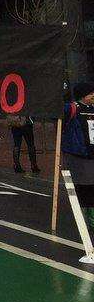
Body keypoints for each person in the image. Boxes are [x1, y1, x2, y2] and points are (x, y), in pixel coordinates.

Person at [62, 82, 94, 222]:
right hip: (78, 154)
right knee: (82, 185)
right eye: (90, 93)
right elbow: (57, 116)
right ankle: (82, 214)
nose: (93, 95)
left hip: (92, 153)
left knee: (91, 185)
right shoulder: (72, 108)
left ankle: (90, 214)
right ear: (82, 95)